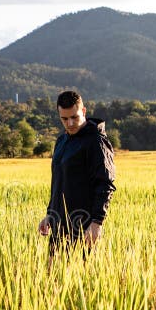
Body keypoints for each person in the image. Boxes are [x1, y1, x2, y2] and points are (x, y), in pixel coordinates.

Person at [38, 90, 116, 259]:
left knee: (81, 281)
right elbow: (58, 182)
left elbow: (105, 184)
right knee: (52, 280)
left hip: (83, 227)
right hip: (59, 226)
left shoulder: (96, 141)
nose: (70, 123)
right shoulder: (61, 141)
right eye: (64, 119)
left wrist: (97, 222)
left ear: (84, 111)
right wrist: (50, 214)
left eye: (74, 117)